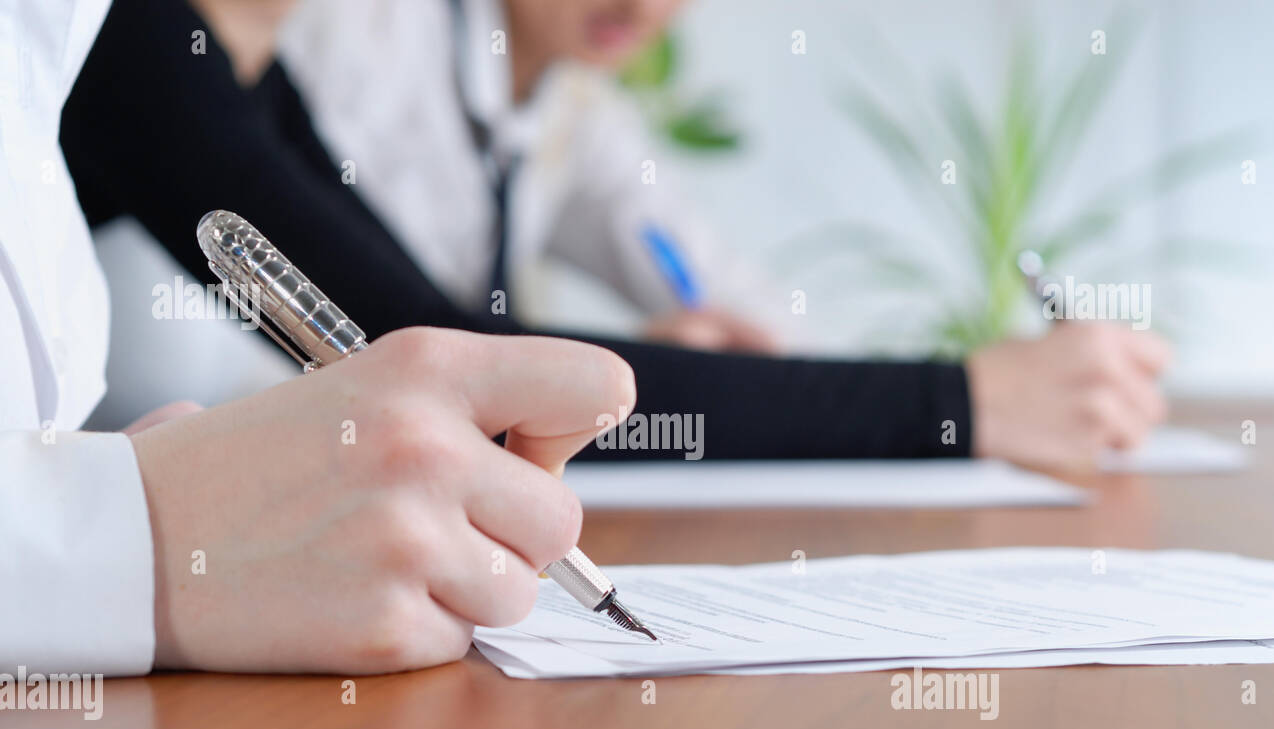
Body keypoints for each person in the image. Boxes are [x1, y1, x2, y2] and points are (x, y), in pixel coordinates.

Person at [61, 0, 1169, 469]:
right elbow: (447, 373)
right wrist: (960, 404)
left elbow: (436, 348)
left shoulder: (247, 75)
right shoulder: (143, 56)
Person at [1, 0, 636, 677]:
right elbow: (430, 336)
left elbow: (420, 328)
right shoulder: (143, 50)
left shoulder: (261, 78)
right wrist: (131, 535)